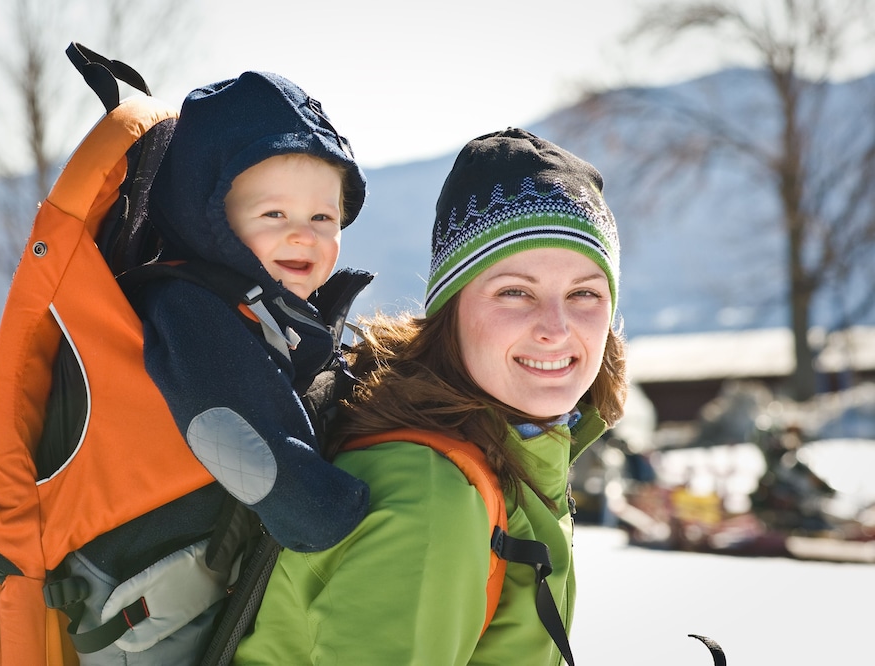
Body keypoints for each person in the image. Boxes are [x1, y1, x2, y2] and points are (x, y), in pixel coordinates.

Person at [233, 128, 628, 664]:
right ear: (451, 311)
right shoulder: (429, 494)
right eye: (515, 292)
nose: (555, 328)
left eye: (584, 293)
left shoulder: (516, 456)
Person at [135, 71, 371, 553]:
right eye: (273, 215)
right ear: (207, 219)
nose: (303, 234)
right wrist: (326, 513)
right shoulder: (191, 311)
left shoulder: (266, 308)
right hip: (151, 592)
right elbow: (240, 437)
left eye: (323, 217)